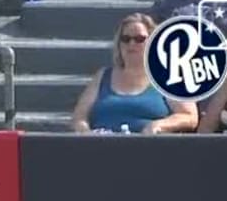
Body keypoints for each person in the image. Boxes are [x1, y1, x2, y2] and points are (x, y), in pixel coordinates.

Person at [70, 15, 199, 134]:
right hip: (102, 148)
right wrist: (85, 132)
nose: (131, 44)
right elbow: (79, 117)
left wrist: (160, 125)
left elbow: (189, 116)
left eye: (139, 39)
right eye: (126, 39)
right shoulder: (103, 76)